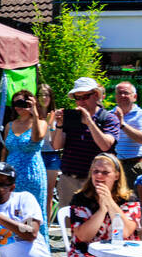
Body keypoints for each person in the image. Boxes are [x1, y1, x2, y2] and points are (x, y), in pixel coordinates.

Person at [50, 77, 120, 207]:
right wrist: (59, 125)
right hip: (69, 180)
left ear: (96, 95)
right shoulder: (72, 118)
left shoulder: (108, 118)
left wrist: (89, 122)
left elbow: (105, 145)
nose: (81, 102)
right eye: (77, 98)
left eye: (85, 97)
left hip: (97, 182)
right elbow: (57, 146)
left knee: (97, 223)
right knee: (69, 225)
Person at [2, 88, 49, 216]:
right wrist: (1, 170)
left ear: (30, 103)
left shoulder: (41, 123)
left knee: (32, 213)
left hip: (32, 173)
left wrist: (34, 113)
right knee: (12, 211)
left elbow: (36, 138)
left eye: (22, 103)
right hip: (11, 175)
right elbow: (5, 149)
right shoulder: (9, 125)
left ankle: (34, 235)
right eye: (15, 103)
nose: (18, 107)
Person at [113, 81, 142, 186]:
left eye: (126, 93)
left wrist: (122, 124)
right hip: (113, 165)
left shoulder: (141, 115)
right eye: (119, 93)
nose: (122, 95)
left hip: (133, 166)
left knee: (134, 201)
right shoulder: (109, 115)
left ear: (134, 96)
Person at [38, 82, 62, 215]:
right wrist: (46, 123)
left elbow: (54, 143)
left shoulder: (55, 115)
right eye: (40, 94)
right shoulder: (32, 116)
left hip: (52, 156)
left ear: (51, 97)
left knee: (48, 194)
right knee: (36, 191)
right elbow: (34, 139)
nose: (44, 97)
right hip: (36, 154)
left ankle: (46, 227)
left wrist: (52, 124)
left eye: (46, 95)